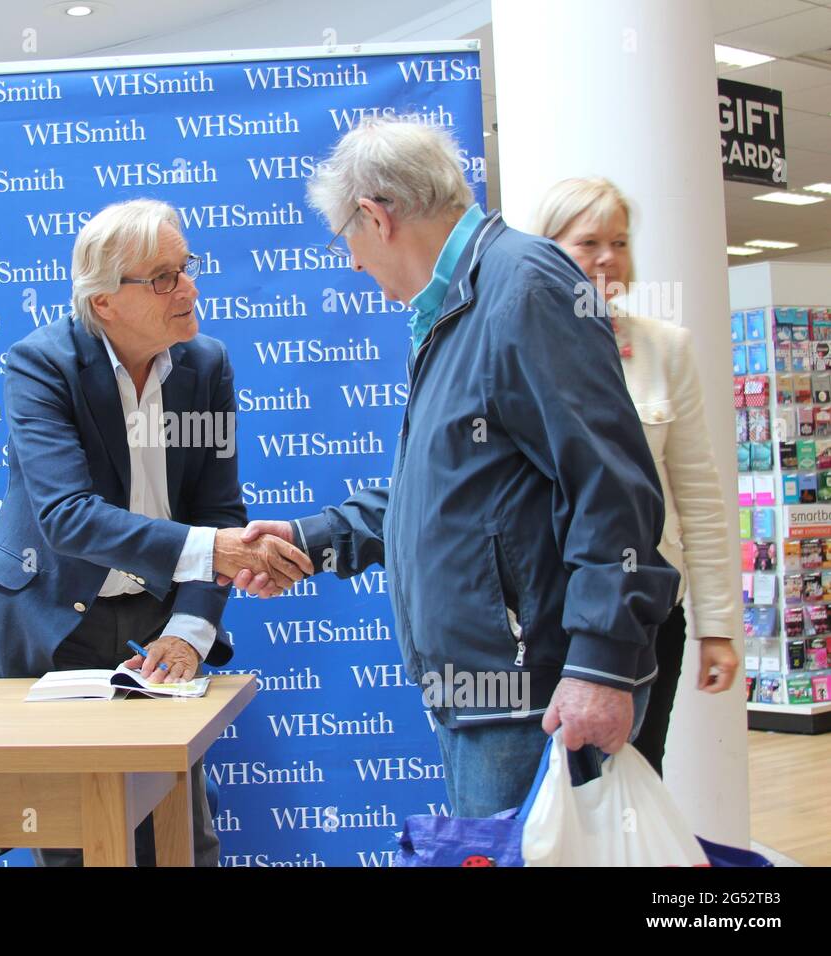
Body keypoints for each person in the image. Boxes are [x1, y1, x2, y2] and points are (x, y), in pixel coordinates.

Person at [228, 119, 680, 817]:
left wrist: (601, 665)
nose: (350, 262)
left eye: (345, 238)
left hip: (538, 694)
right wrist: (310, 538)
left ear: (376, 217)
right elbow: (450, 492)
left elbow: (612, 485)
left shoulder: (522, 287)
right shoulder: (461, 304)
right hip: (495, 693)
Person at [0, 198, 312, 865]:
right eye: (162, 277)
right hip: (51, 620)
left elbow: (218, 509)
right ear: (104, 303)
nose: (189, 287)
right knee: (75, 842)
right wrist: (213, 550)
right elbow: (67, 517)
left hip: (155, 621)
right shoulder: (42, 365)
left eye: (185, 268)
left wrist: (188, 632)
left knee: (180, 837)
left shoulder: (204, 365)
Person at [535, 177, 739, 776]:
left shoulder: (665, 349)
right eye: (588, 241)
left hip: (649, 613)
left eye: (620, 242)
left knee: (632, 783)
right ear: (546, 251)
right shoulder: (520, 346)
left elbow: (698, 495)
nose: (607, 258)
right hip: (554, 610)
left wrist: (718, 627)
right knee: (554, 795)